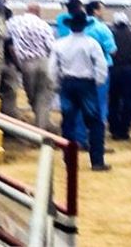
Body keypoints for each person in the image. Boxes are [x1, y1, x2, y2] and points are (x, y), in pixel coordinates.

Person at [50, 15, 111, 171]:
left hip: (67, 83)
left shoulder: (60, 44)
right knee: (95, 123)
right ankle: (97, 161)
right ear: (85, 26)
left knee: (68, 122)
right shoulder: (92, 43)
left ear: (70, 26)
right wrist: (97, 81)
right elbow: (101, 65)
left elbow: (52, 69)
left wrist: (57, 84)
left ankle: (69, 162)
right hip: (86, 84)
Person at [4, 4, 58, 131]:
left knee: (32, 96)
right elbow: (51, 47)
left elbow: (6, 37)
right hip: (44, 61)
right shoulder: (44, 25)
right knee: (43, 96)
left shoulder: (15, 22)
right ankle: (42, 127)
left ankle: (42, 124)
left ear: (27, 11)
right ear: (38, 12)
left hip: (25, 63)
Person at [105, 12, 131, 140]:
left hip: (114, 70)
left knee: (113, 101)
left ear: (115, 23)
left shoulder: (110, 35)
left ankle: (114, 129)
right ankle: (124, 131)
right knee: (128, 101)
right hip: (130, 70)